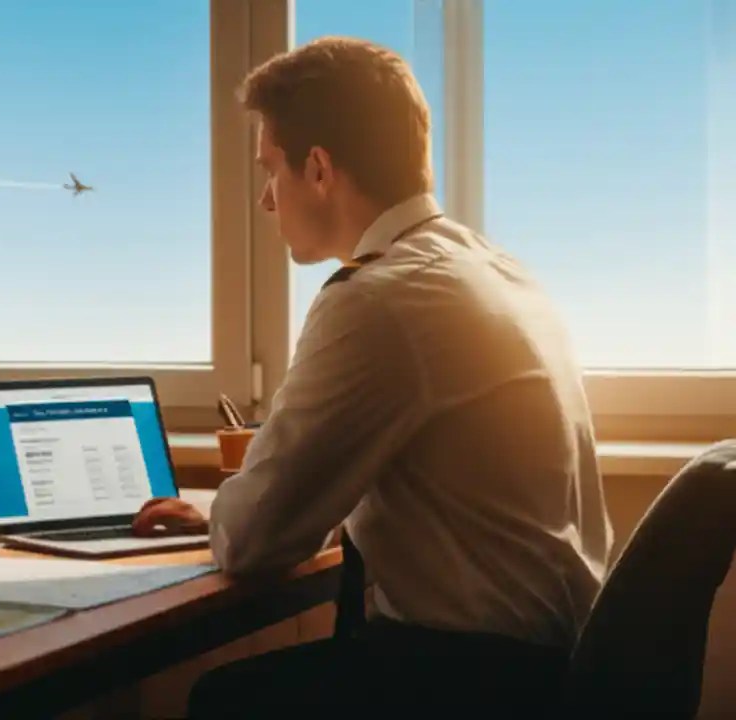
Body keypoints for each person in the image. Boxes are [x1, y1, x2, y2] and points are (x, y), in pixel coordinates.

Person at [131, 36, 613, 716]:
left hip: (476, 682)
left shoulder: (379, 300)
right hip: (555, 667)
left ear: (318, 169)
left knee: (224, 700)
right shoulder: (492, 270)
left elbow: (252, 543)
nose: (266, 200)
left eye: (270, 169)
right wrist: (233, 510)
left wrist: (234, 512)